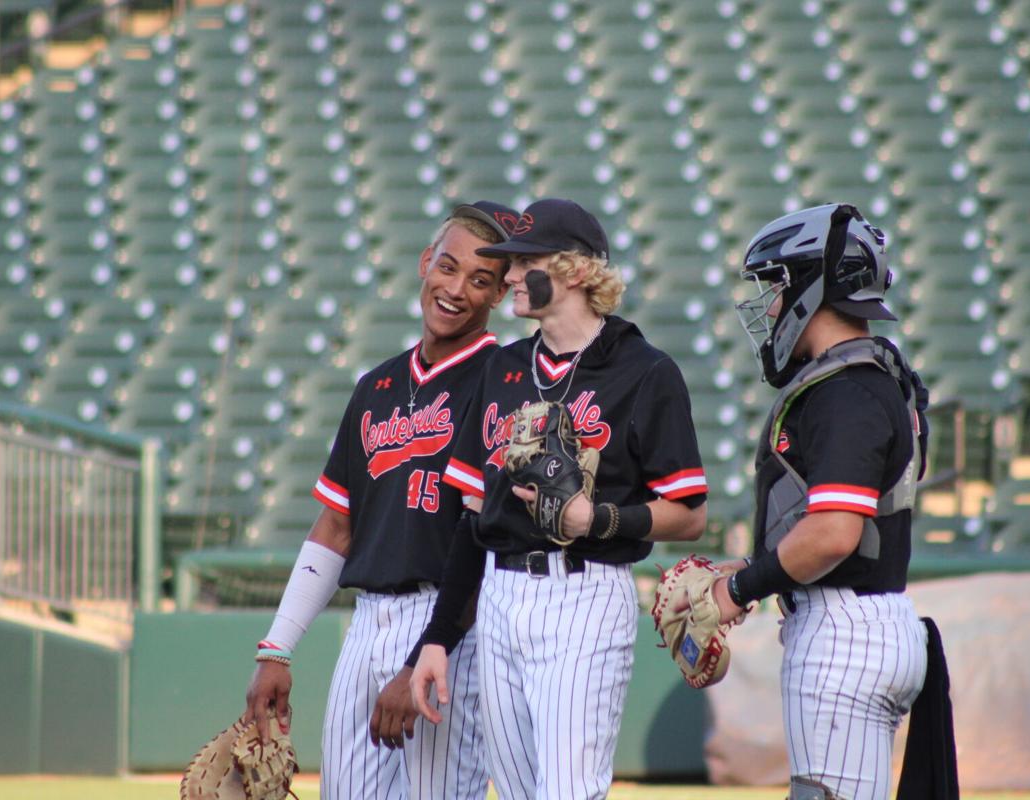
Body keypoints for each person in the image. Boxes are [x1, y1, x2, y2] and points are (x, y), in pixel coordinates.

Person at [404, 198, 709, 800]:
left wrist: (598, 518)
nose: (511, 275)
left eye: (526, 262)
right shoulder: (503, 367)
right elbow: (473, 515)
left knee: (568, 790)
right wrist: (437, 637)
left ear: (575, 270)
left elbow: (690, 513)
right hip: (499, 595)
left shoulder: (644, 370)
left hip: (582, 592)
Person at [243, 200, 520, 800]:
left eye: (480, 280)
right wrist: (278, 649)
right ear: (425, 263)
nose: (456, 290)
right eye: (447, 267)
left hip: (452, 626)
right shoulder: (376, 386)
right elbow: (335, 526)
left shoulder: (503, 380)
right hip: (367, 621)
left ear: (500, 294)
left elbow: (486, 542)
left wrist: (423, 653)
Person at [710, 203, 935, 800]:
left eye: (777, 287)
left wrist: (739, 589)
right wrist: (754, 566)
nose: (771, 307)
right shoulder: (871, 377)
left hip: (843, 630)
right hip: (869, 618)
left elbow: (835, 532)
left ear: (811, 283)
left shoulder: (845, 389)